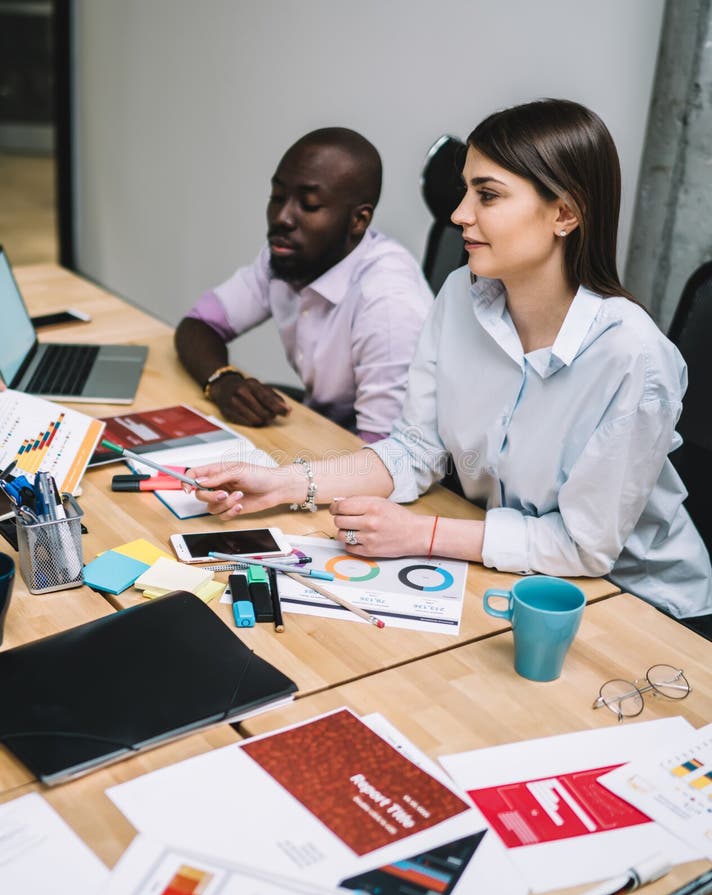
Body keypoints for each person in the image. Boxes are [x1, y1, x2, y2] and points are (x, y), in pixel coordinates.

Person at [186, 99, 712, 626]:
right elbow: (414, 451)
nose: (460, 214)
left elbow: (583, 545)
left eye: (488, 195)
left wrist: (423, 534)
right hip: (522, 577)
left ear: (564, 214)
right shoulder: (462, 294)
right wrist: (281, 483)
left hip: (643, 607)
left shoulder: (632, 356)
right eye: (465, 191)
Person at [175, 127, 433, 441]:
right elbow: (198, 325)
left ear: (358, 221)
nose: (282, 218)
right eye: (277, 197)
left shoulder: (389, 303)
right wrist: (222, 381)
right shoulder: (288, 256)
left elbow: (386, 456)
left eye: (308, 205)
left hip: (373, 456)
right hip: (323, 435)